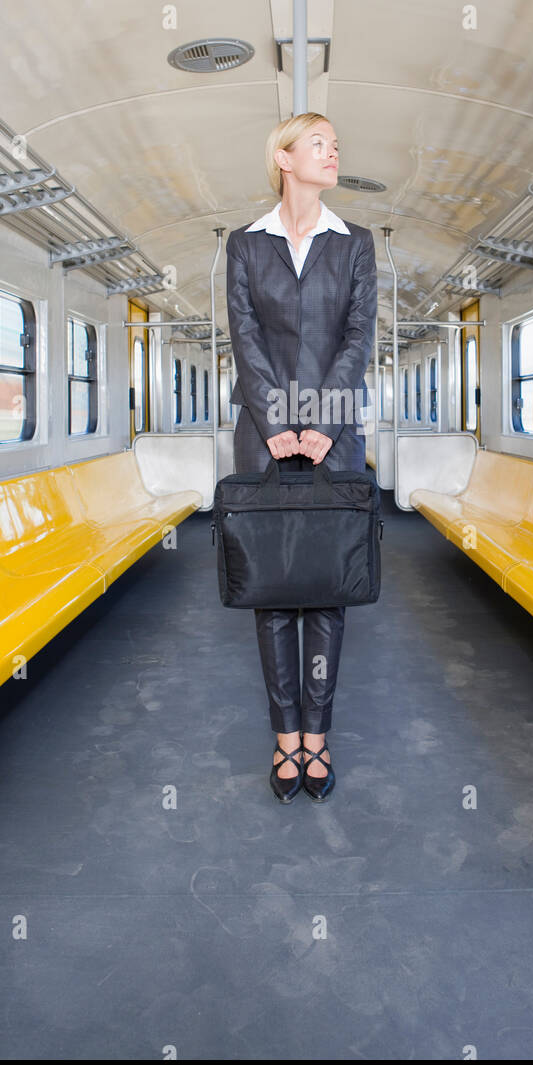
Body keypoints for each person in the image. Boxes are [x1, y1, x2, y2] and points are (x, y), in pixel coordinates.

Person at [225, 112, 378, 803]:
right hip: (264, 432)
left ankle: (317, 737)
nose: (333, 149)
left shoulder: (355, 245)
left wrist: (320, 420)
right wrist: (278, 420)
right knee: (274, 588)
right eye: (320, 141)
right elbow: (246, 338)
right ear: (284, 158)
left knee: (326, 588)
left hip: (334, 433)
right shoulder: (245, 245)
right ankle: (284, 739)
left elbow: (357, 336)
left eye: (334, 142)